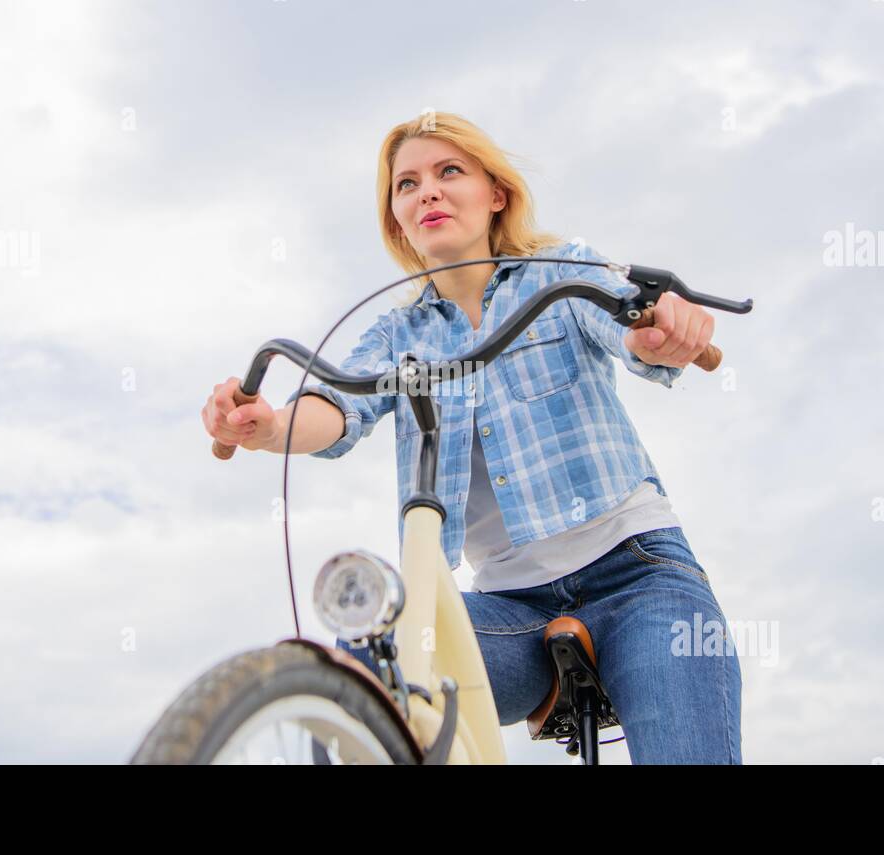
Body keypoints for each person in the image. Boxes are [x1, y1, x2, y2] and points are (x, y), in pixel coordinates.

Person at [202, 112, 741, 764]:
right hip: (511, 607)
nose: (426, 191)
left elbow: (632, 320)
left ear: (496, 194)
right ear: (397, 218)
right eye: (407, 184)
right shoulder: (400, 333)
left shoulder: (558, 270)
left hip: (640, 574)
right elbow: (336, 404)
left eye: (448, 171)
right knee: (379, 663)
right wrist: (270, 425)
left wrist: (661, 326)